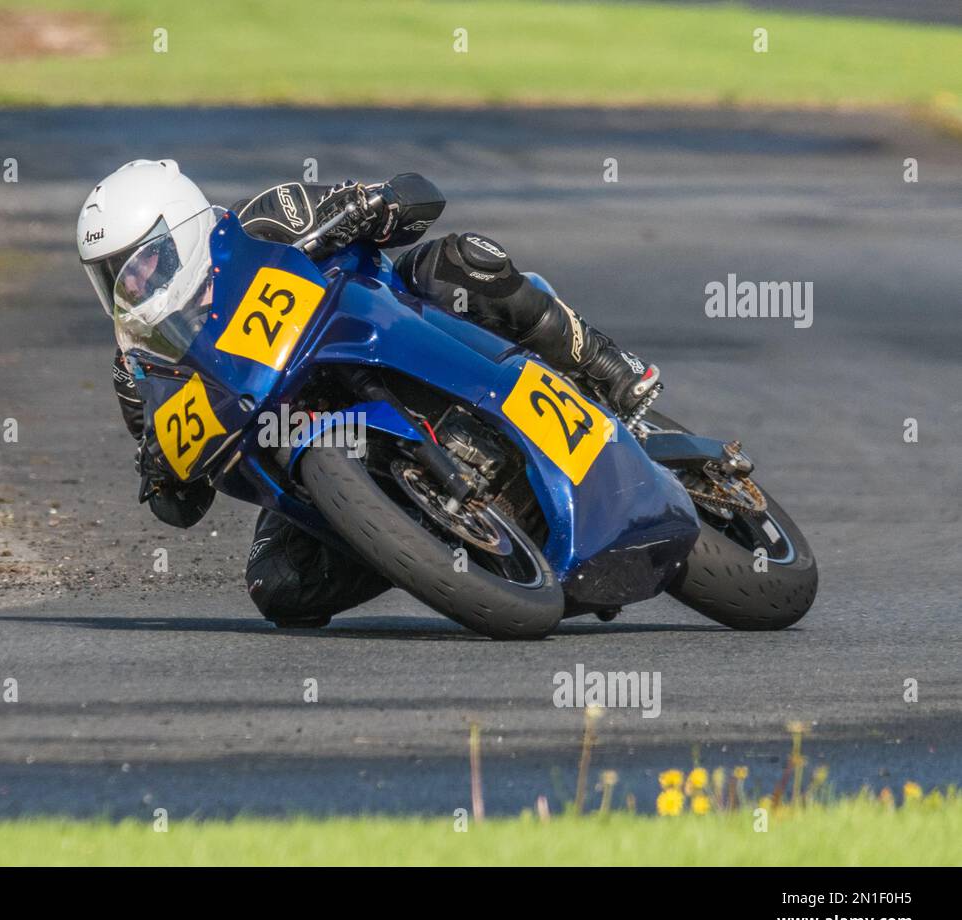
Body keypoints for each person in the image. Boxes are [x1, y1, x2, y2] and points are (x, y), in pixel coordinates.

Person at [77, 159, 660, 627]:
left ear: (181, 227)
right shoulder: (139, 368)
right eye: (114, 276)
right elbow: (182, 504)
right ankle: (418, 543)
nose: (132, 286)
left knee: (453, 263)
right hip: (305, 459)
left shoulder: (266, 221)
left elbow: (417, 198)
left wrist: (374, 207)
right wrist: (159, 471)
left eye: (143, 262)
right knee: (278, 588)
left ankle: (604, 365)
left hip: (390, 337)